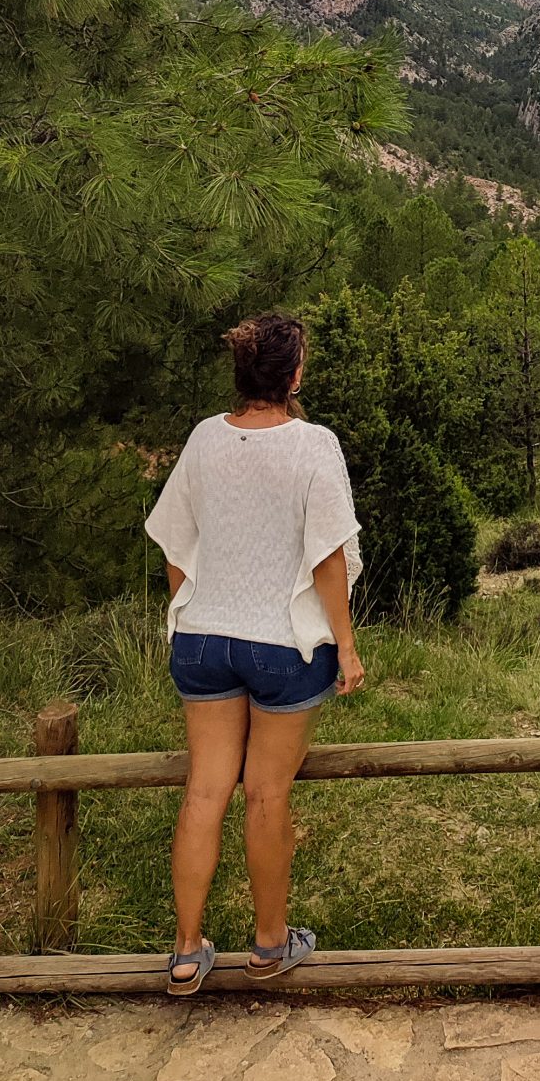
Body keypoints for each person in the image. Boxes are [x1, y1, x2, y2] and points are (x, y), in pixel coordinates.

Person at [145, 312, 364, 995]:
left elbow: (176, 544)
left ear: (241, 375)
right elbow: (328, 556)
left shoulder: (205, 439)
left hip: (205, 639)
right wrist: (348, 648)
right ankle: (270, 944)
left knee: (206, 789)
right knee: (266, 793)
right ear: (295, 375)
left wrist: (187, 614)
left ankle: (186, 950)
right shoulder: (313, 445)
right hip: (284, 646)